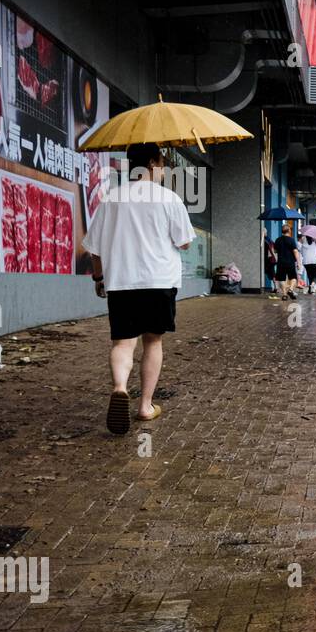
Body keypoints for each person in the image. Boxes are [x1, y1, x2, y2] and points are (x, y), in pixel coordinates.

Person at [83, 142, 195, 436]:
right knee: (153, 342)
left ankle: (120, 388)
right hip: (159, 282)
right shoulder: (169, 199)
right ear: (154, 162)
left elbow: (94, 248)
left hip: (122, 281)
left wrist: (99, 278)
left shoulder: (111, 199)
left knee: (123, 342)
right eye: (162, 162)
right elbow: (184, 242)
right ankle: (145, 406)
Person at [272, 223, 299, 300]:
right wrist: (298, 262)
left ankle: (284, 294)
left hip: (281, 262)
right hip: (290, 262)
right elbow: (295, 251)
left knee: (281, 279)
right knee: (293, 277)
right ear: (289, 231)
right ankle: (290, 290)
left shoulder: (277, 240)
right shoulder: (291, 240)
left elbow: (275, 251)